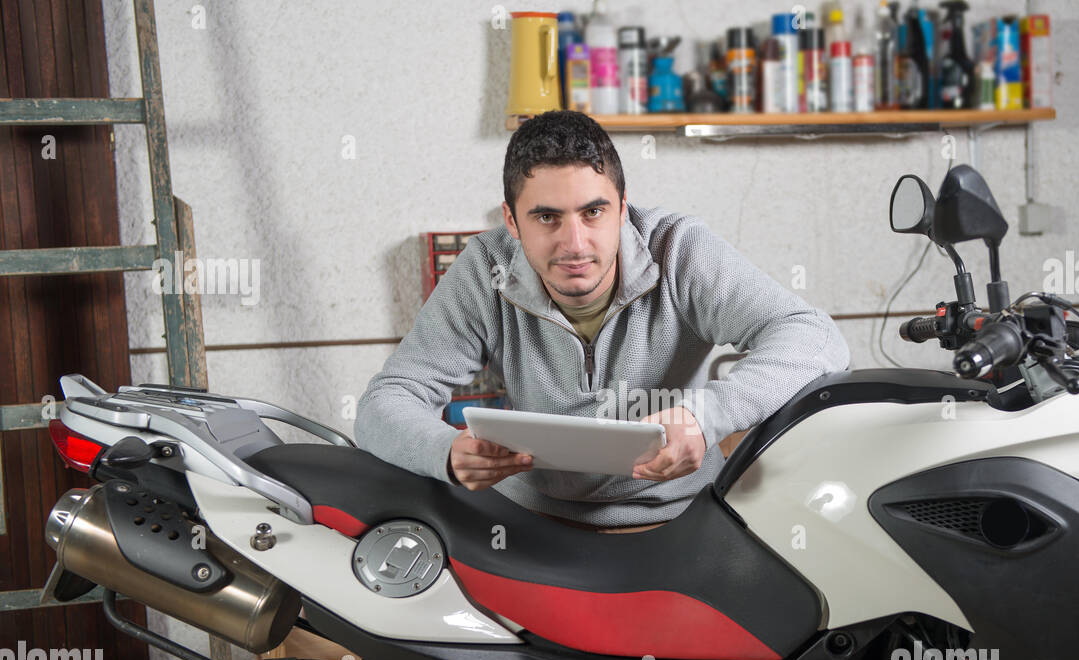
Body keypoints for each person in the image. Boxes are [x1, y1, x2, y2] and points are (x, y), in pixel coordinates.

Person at [355, 110, 849, 529]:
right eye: (547, 217)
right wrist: (444, 450)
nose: (574, 244)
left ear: (621, 209)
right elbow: (384, 403)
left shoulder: (678, 249)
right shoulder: (486, 267)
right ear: (512, 220)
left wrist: (704, 417)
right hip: (531, 523)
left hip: (683, 517)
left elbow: (813, 336)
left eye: (593, 212)